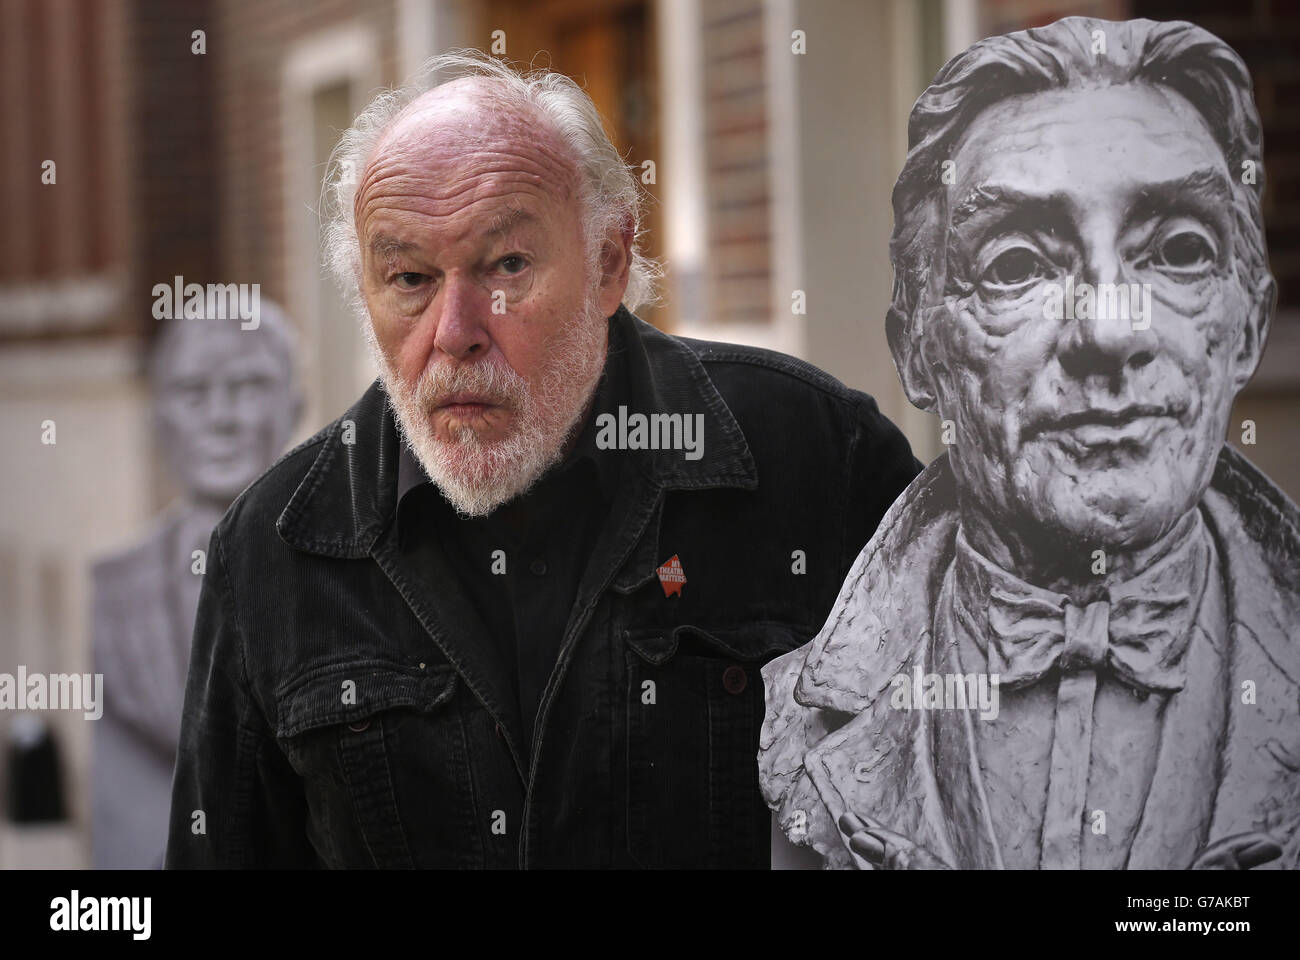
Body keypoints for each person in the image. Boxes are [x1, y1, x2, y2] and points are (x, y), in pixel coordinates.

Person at [163, 50, 919, 868]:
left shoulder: (816, 461)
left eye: (507, 265)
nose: (455, 332)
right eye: (409, 277)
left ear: (609, 263)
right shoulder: (276, 550)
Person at [761, 16, 1300, 871]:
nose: (1107, 332)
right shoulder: (811, 710)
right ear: (919, 352)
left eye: (1178, 252)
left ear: (1246, 328)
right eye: (1017, 265)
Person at [92, 302, 301, 868]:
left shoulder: (348, 584)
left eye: (249, 386)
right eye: (193, 392)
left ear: (294, 407)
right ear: (158, 419)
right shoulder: (107, 597)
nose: (222, 417)